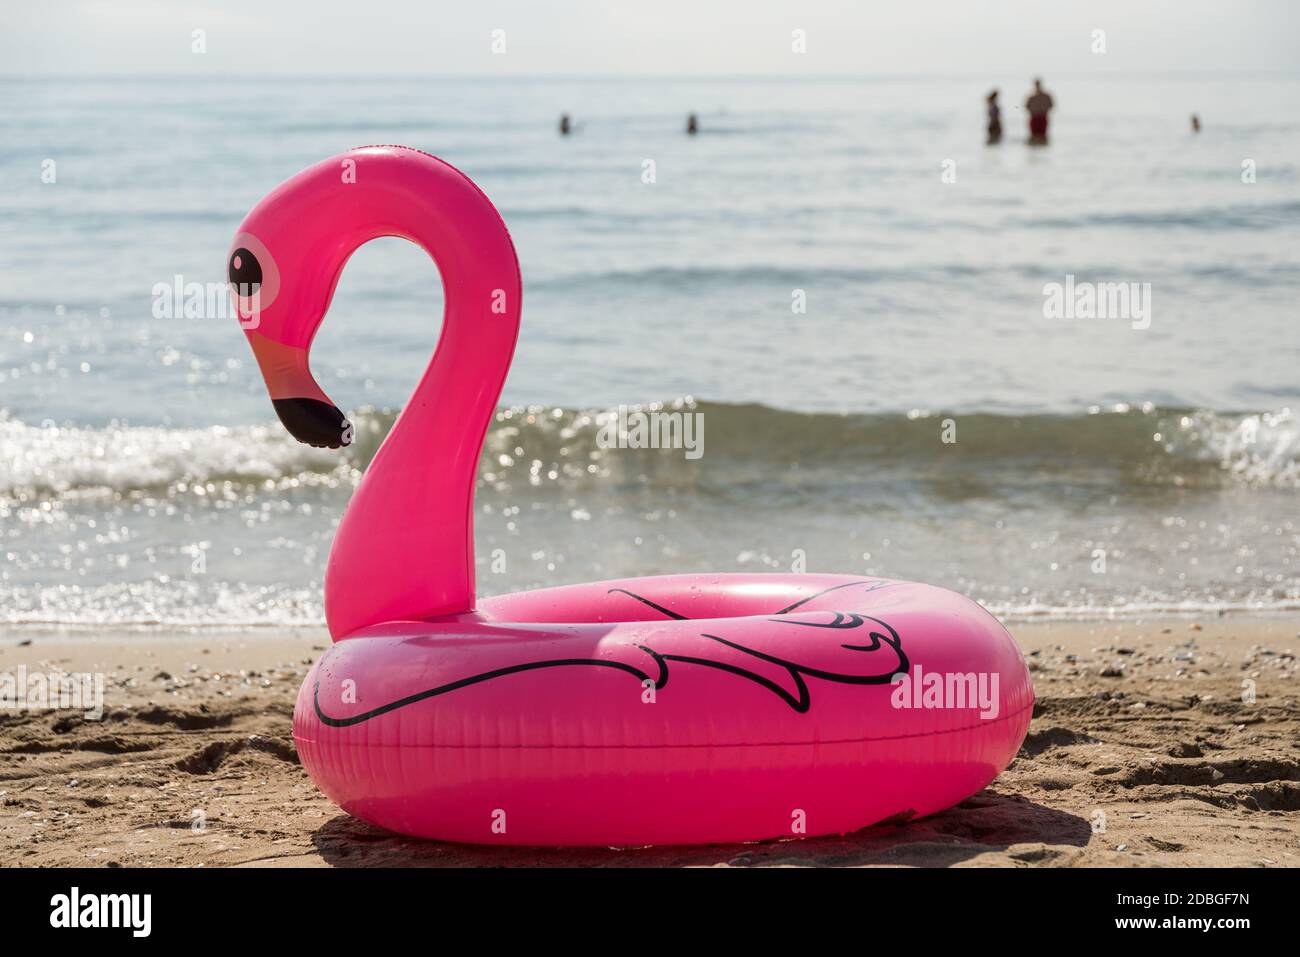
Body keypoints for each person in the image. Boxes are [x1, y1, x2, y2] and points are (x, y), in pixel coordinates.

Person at [1025, 78, 1054, 145]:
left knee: (1043, 136)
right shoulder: (1031, 96)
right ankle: (1034, 152)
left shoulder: (1046, 96)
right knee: (1033, 136)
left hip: (1043, 116)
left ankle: (1042, 151)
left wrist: (1044, 110)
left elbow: (1051, 105)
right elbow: (1026, 107)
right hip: (1034, 117)